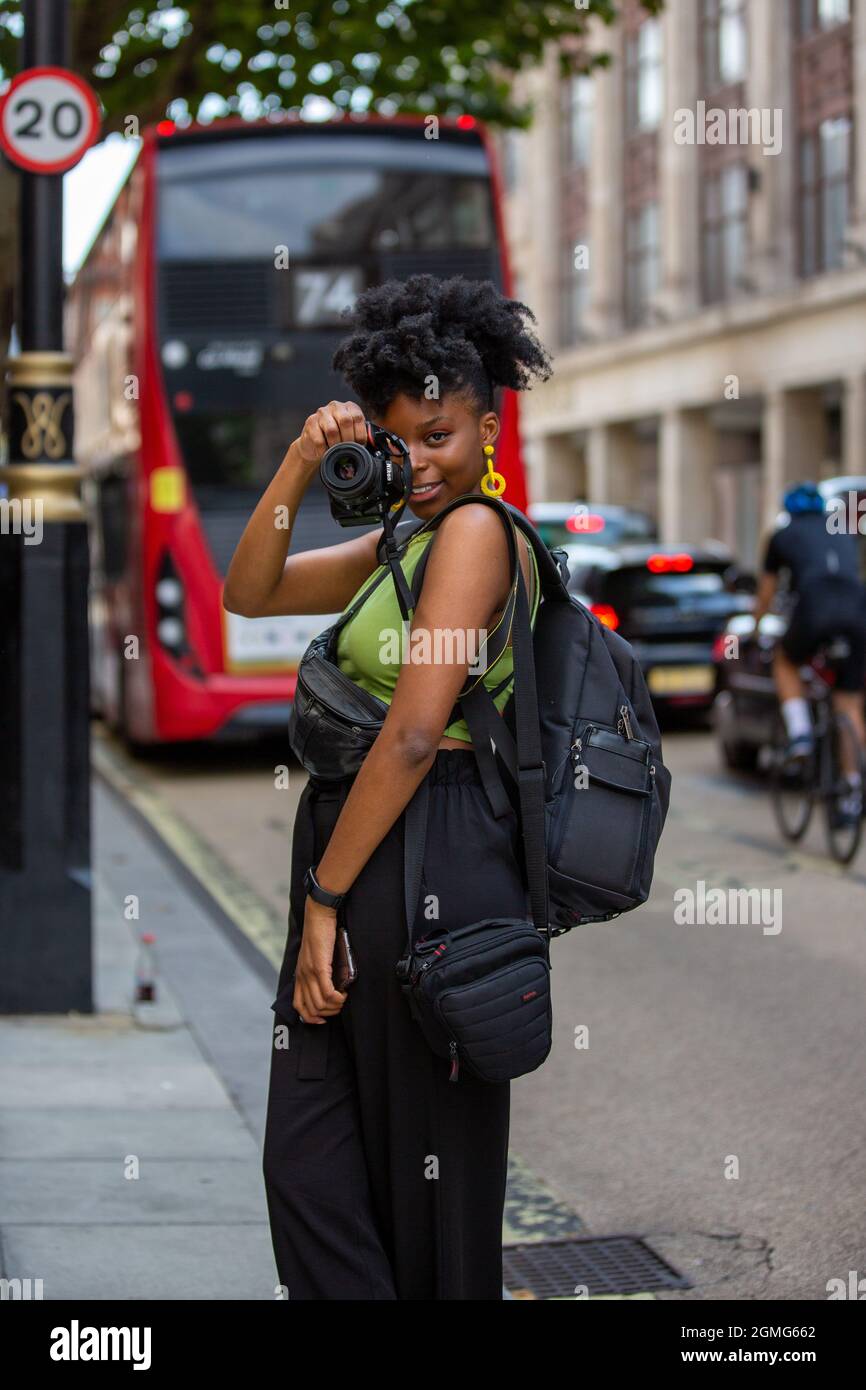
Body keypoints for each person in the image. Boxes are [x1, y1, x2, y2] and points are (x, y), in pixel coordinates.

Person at [223, 273, 552, 1299]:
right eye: (399, 438)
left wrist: (323, 899)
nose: (417, 461)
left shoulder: (475, 537)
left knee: (429, 1193)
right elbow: (250, 592)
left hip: (427, 859)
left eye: (441, 434)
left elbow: (412, 736)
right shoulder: (402, 536)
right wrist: (298, 459)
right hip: (359, 846)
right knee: (312, 1166)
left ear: (487, 427)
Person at [753, 481, 866, 825]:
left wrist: (757, 625)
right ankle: (852, 790)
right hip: (858, 612)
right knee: (849, 703)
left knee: (786, 661)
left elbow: (766, 595)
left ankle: (801, 734)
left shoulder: (781, 535)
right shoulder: (842, 532)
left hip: (814, 608)